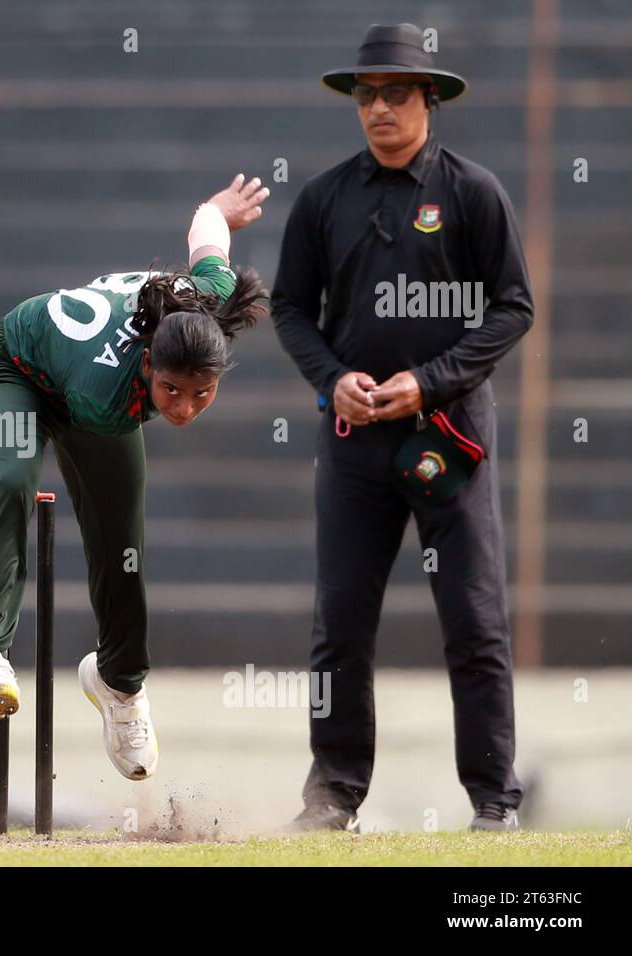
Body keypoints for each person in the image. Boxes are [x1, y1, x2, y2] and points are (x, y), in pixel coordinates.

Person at [271, 23, 533, 831]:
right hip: (353, 444)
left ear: (429, 99)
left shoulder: (472, 191)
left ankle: (494, 803)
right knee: (340, 624)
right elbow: (288, 308)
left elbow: (513, 309)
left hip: (450, 438)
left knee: (475, 623)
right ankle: (333, 796)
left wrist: (430, 383)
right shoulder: (322, 199)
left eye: (394, 92)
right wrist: (331, 379)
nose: (378, 107)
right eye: (366, 94)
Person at [0, 174, 270, 780]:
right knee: (13, 476)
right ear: (148, 362)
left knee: (123, 541)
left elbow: (209, 235)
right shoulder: (105, 396)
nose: (181, 408)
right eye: (170, 391)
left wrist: (218, 208)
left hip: (86, 378)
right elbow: (73, 425)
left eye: (202, 394)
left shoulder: (210, 301)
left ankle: (119, 682)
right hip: (13, 369)